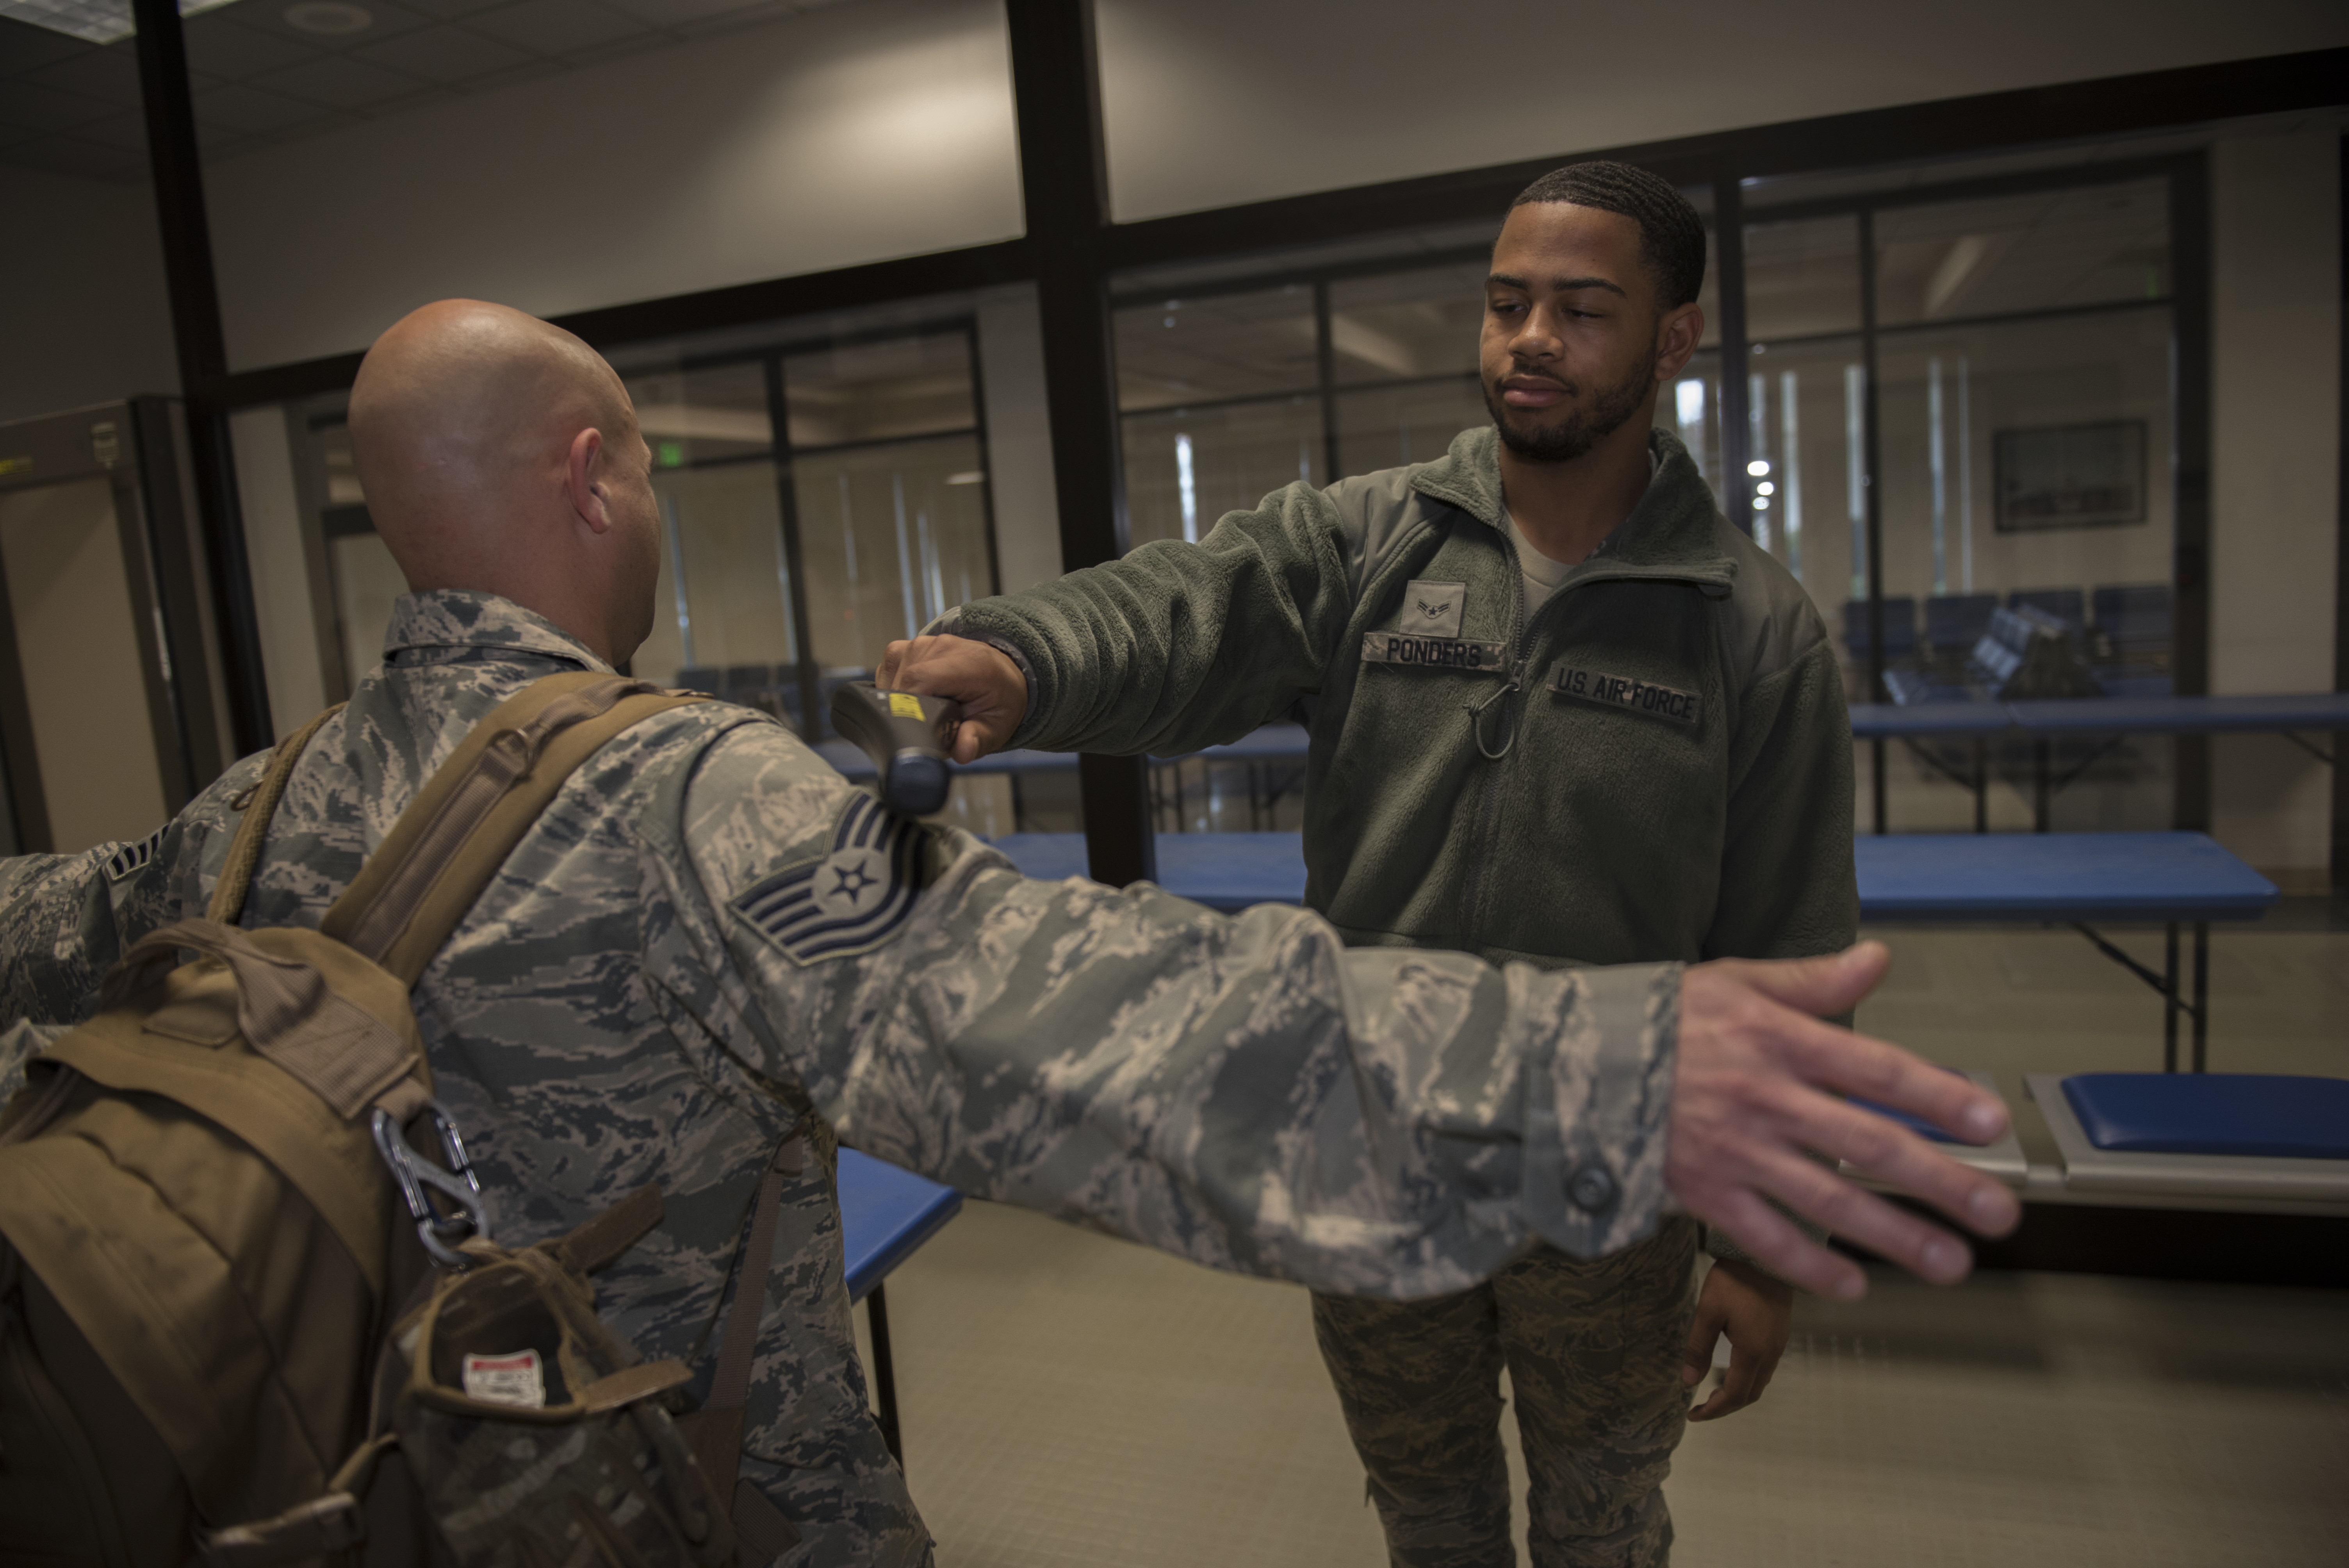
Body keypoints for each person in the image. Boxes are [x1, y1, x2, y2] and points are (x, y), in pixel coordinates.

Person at [0, 300, 2016, 1567]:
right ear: (592, 476)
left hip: (362, 1490)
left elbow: (31, 936)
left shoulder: (246, 807)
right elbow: (1114, 1030)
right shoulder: (688, 795)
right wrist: (1614, 1074)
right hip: (699, 1505)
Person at [880, 162, 1855, 1566]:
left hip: (1608, 1182)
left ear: (1675, 339)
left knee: (1603, 1528)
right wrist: (1025, 658)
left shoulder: (1752, 628)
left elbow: (1794, 947)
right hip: (1375, 1148)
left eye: (1583, 311)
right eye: (1508, 302)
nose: (1531, 340)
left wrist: (1765, 1255)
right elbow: (1183, 613)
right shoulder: (1371, 543)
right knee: (1430, 1520)